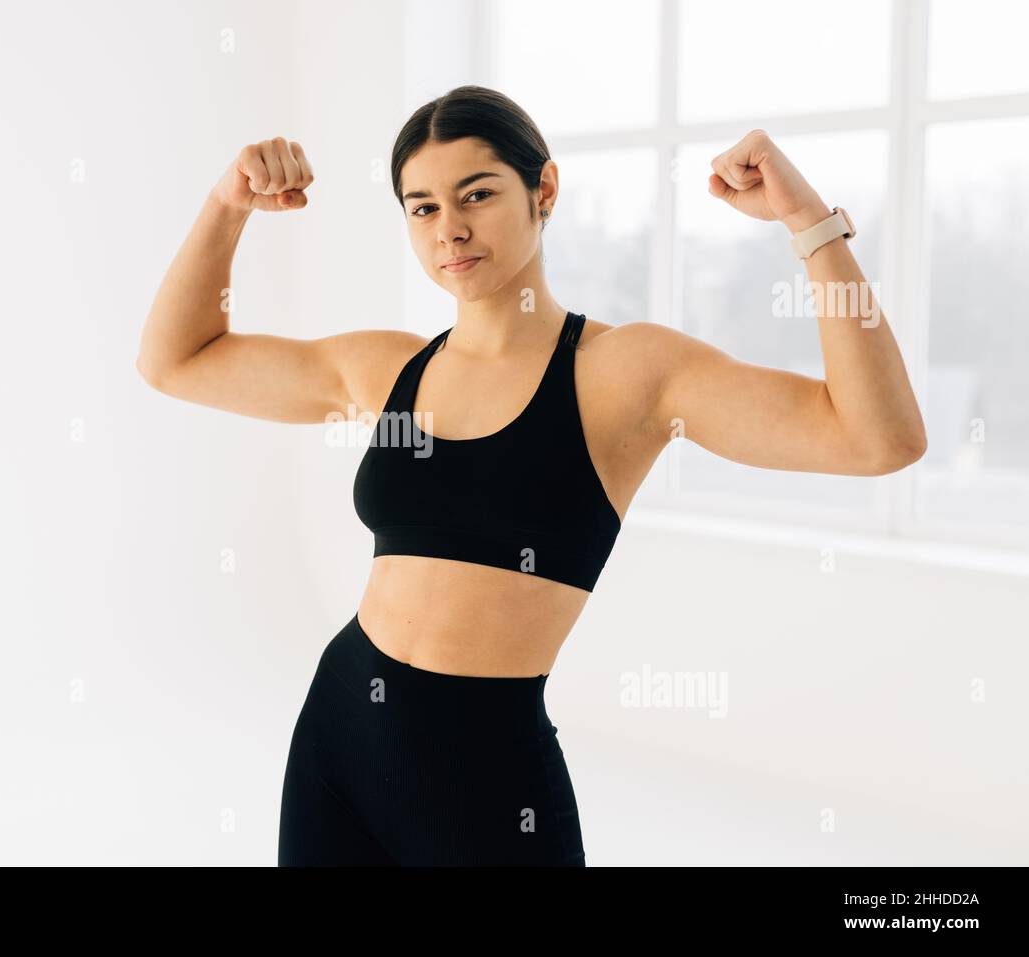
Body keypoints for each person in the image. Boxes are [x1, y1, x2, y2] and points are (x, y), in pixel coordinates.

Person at [135, 85, 927, 866]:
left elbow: (876, 437)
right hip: (338, 738)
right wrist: (227, 202)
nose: (450, 228)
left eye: (476, 194)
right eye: (422, 207)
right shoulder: (386, 371)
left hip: (492, 785)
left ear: (543, 188)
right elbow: (175, 360)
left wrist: (811, 225)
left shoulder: (626, 374)